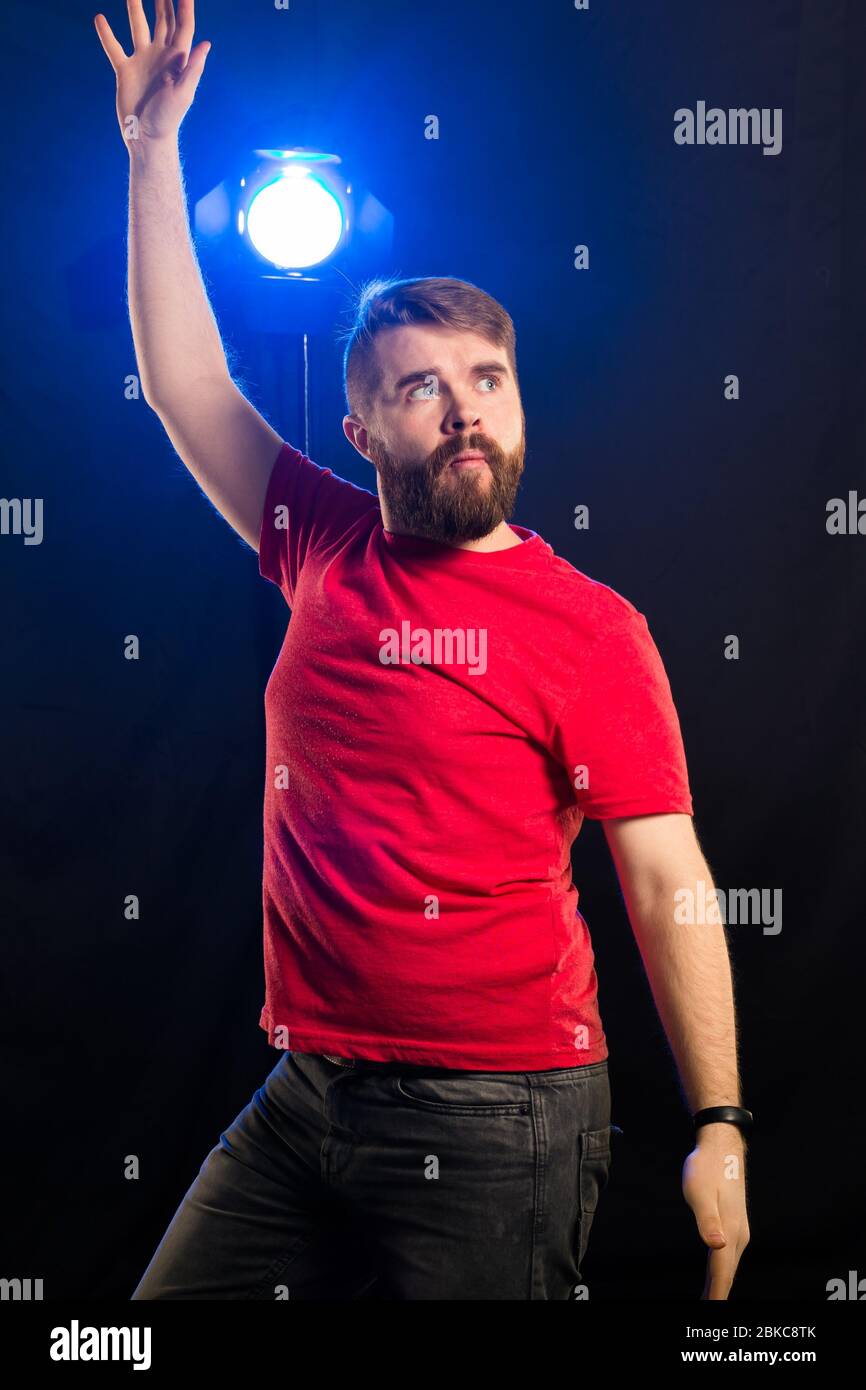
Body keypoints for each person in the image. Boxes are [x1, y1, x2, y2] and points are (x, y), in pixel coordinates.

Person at [96, 0, 751, 1301]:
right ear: (361, 431)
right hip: (309, 1083)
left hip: (499, 1113)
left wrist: (717, 1125)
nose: (464, 413)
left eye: (488, 379)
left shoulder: (590, 628)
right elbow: (187, 387)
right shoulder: (317, 541)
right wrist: (152, 151)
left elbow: (667, 875)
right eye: (419, 389)